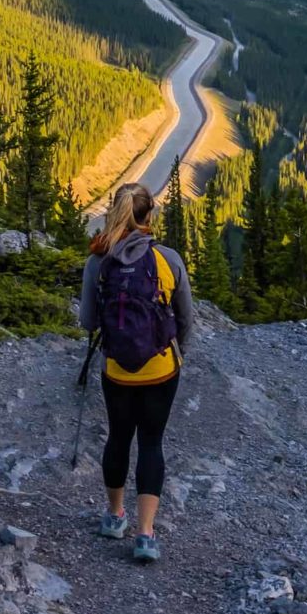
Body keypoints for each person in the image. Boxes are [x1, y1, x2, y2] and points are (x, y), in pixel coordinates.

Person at [78, 180, 193, 563]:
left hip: (116, 369)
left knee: (118, 437)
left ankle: (115, 517)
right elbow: (186, 318)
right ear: (150, 214)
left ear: (115, 212)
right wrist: (177, 352)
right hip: (161, 368)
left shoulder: (99, 260)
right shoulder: (167, 259)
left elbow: (88, 321)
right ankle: (145, 534)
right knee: (151, 442)